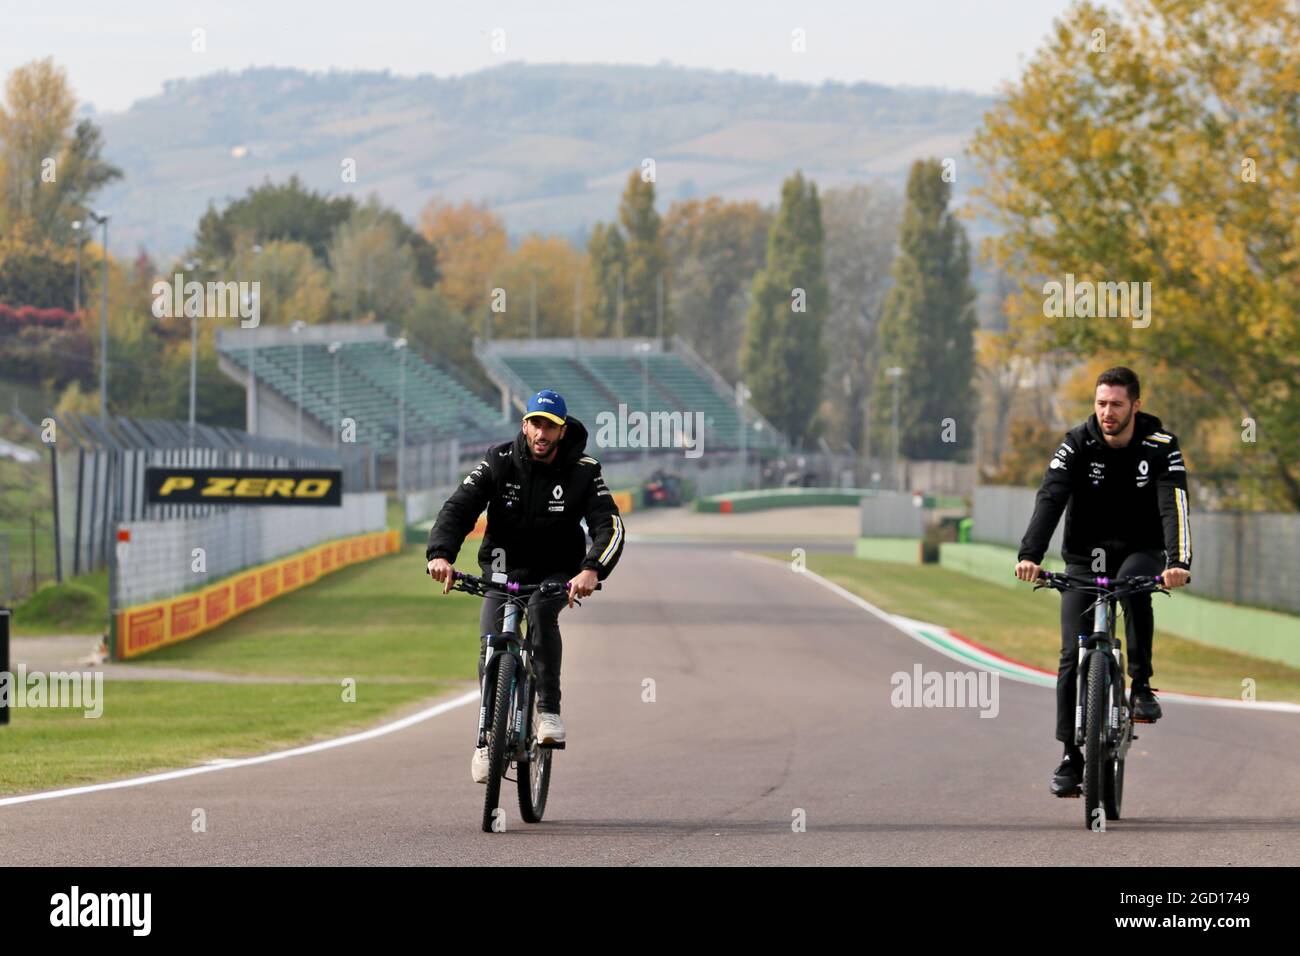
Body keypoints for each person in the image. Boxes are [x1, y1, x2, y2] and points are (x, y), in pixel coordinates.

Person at [426, 389, 625, 783]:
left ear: (561, 430)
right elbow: (459, 506)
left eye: (550, 427)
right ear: (524, 424)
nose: (541, 433)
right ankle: (486, 742)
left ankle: (548, 711)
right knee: (490, 644)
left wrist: (592, 569)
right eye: (535, 423)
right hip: (502, 569)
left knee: (538, 614)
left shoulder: (584, 469)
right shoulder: (498, 460)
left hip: (555, 573)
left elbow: (609, 525)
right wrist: (440, 554)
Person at [1013, 367, 1191, 797]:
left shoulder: (1161, 446)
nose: (1106, 412)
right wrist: (1030, 555)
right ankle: (1071, 759)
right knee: (1070, 655)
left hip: (1140, 549)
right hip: (1085, 556)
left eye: (1115, 404)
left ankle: (1142, 685)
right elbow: (1050, 496)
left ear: (1135, 405)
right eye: (1100, 403)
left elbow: (1175, 504)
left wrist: (1179, 560)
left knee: (1135, 588)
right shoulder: (1076, 444)